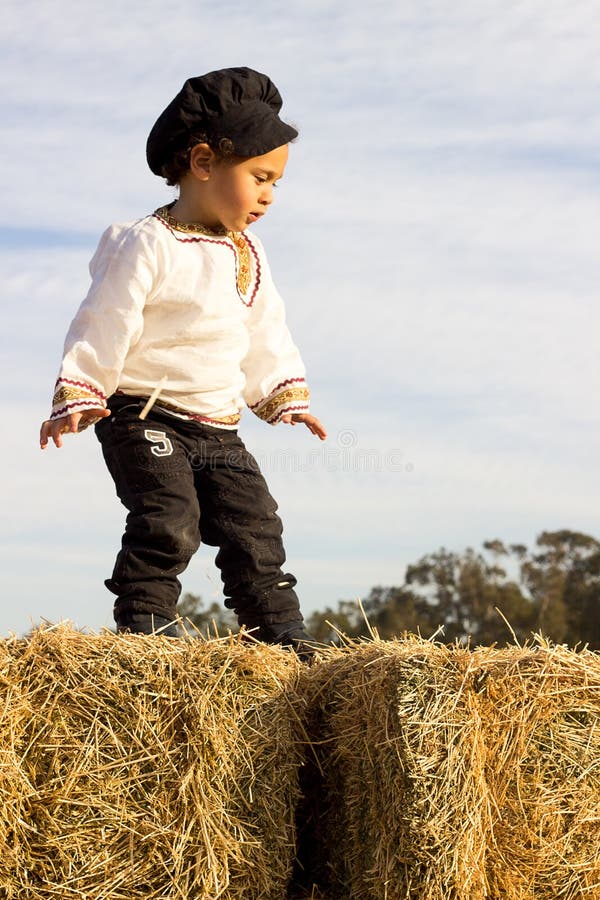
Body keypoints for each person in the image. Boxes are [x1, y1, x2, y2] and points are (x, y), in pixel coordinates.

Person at [39, 67, 326, 655]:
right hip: (144, 416)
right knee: (170, 518)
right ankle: (146, 631)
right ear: (202, 163)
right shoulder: (147, 243)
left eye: (277, 182)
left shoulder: (247, 251)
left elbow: (263, 328)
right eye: (260, 177)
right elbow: (106, 316)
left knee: (257, 528)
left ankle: (280, 636)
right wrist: (82, 392)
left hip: (219, 427)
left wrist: (283, 396)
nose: (270, 194)